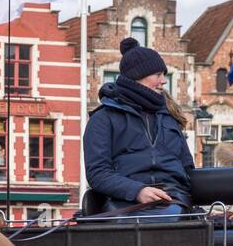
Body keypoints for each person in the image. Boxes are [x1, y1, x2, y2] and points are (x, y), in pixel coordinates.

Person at [83, 37, 194, 215]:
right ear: (137, 77)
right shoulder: (102, 119)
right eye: (158, 75)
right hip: (123, 201)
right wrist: (137, 191)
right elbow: (98, 173)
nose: (164, 81)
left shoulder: (169, 118)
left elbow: (187, 169)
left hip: (173, 198)